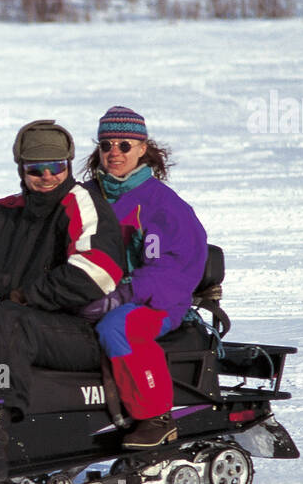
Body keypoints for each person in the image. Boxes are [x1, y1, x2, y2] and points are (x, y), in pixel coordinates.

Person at [0, 120, 125, 436]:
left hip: (80, 328)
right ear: (22, 169)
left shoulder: (80, 204)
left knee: (7, 319)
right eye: (37, 169)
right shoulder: (4, 212)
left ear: (67, 165)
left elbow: (97, 271)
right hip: (23, 318)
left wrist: (28, 295)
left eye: (56, 167)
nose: (48, 176)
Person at [80, 106, 208, 449]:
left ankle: (156, 418)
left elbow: (177, 266)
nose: (114, 153)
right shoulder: (85, 197)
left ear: (142, 148)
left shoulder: (165, 206)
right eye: (106, 145)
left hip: (157, 302)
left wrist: (126, 293)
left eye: (124, 145)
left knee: (117, 326)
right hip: (93, 293)